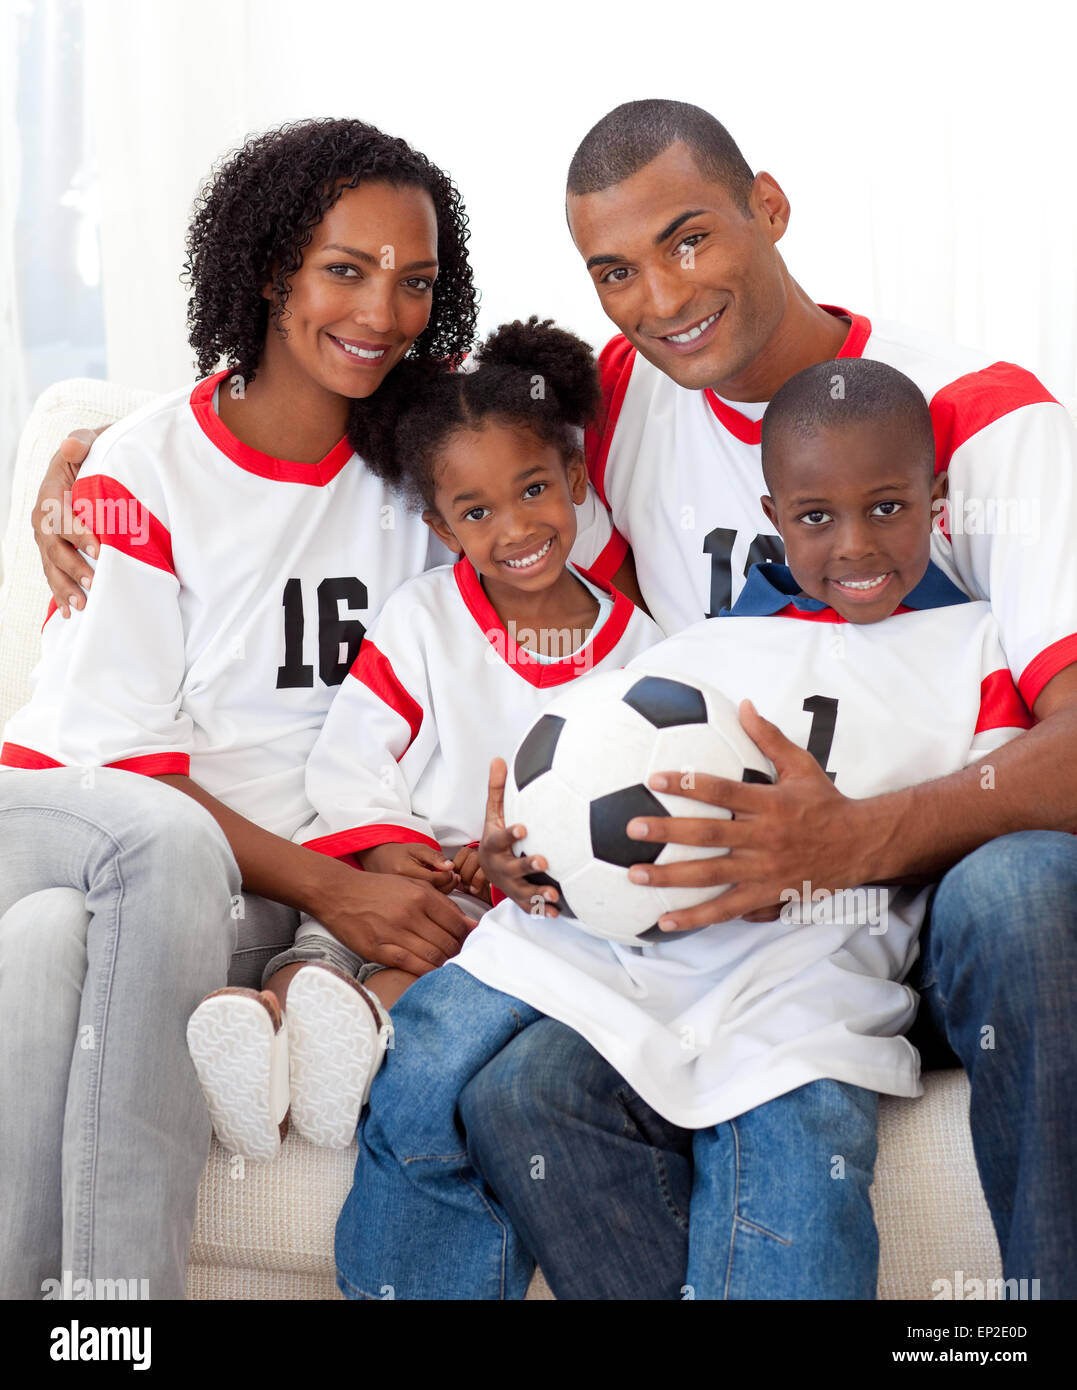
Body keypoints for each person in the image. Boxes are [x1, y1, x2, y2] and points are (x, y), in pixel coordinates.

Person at [465, 100, 1077, 1300]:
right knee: (520, 1093)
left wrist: (853, 839)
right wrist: (105, 455)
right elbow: (411, 436)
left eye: (689, 240)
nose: (659, 298)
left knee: (1028, 891)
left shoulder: (980, 415)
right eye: (615, 273)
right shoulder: (624, 403)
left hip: (937, 917)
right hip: (746, 940)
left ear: (771, 210)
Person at [332, 356, 1033, 1300]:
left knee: (792, 1175)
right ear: (774, 516)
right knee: (423, 1076)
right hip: (619, 952)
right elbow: (583, 787)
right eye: (816, 518)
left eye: (888, 508)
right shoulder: (699, 647)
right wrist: (510, 859)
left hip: (807, 979)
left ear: (936, 500)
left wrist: (844, 843)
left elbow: (980, 824)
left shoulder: (979, 650)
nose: (855, 546)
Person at [0, 116, 492, 1300]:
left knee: (49, 953)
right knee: (124, 867)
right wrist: (339, 889)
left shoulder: (435, 457)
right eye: (344, 270)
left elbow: (572, 446)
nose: (382, 313)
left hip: (252, 879)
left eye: (414, 282)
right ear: (271, 271)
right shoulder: (143, 476)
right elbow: (132, 789)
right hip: (87, 825)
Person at [183, 317, 662, 1160]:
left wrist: (521, 854)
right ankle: (262, 1029)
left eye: (533, 491)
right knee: (321, 957)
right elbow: (352, 755)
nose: (514, 528)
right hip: (393, 875)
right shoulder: (424, 619)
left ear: (575, 480)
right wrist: (386, 848)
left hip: (501, 917)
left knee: (411, 994)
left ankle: (337, 1066)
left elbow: (630, 798)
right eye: (477, 511)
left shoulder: (638, 651)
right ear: (443, 530)